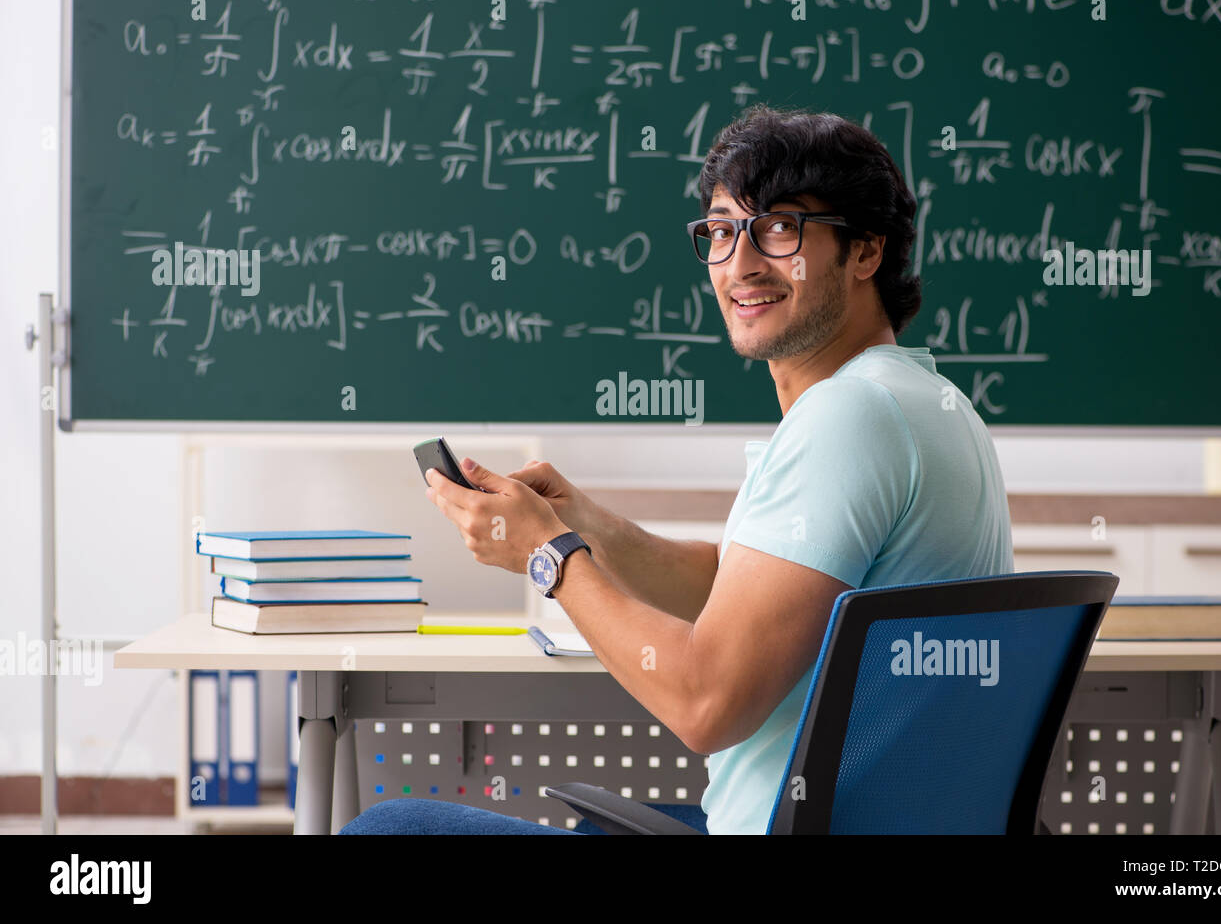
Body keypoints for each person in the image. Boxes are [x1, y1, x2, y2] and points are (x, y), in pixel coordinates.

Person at [342, 104, 1013, 835]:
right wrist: (582, 524)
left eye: (781, 228)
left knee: (389, 826)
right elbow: (749, 595)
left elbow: (706, 703)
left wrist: (549, 556)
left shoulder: (847, 419)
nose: (742, 264)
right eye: (723, 231)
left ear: (866, 251)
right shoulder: (928, 402)